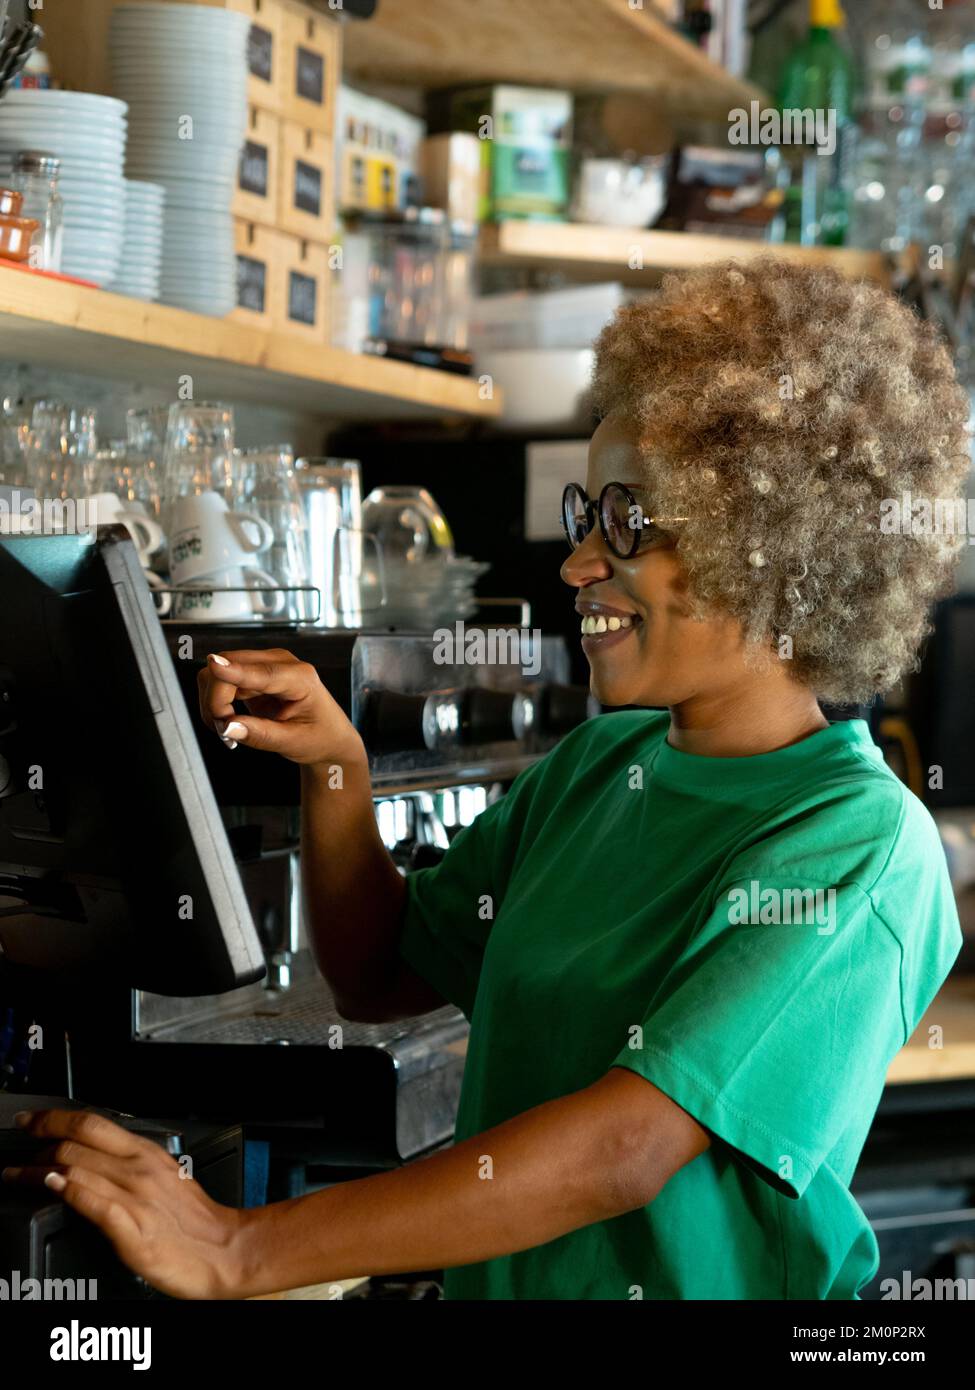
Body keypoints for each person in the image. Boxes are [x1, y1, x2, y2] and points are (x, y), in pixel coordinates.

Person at [3, 257, 969, 1300]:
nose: (576, 563)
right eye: (583, 516)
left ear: (775, 547)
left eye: (628, 524)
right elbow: (380, 973)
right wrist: (340, 767)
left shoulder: (860, 847)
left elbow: (624, 1149)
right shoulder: (602, 769)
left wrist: (240, 1247)